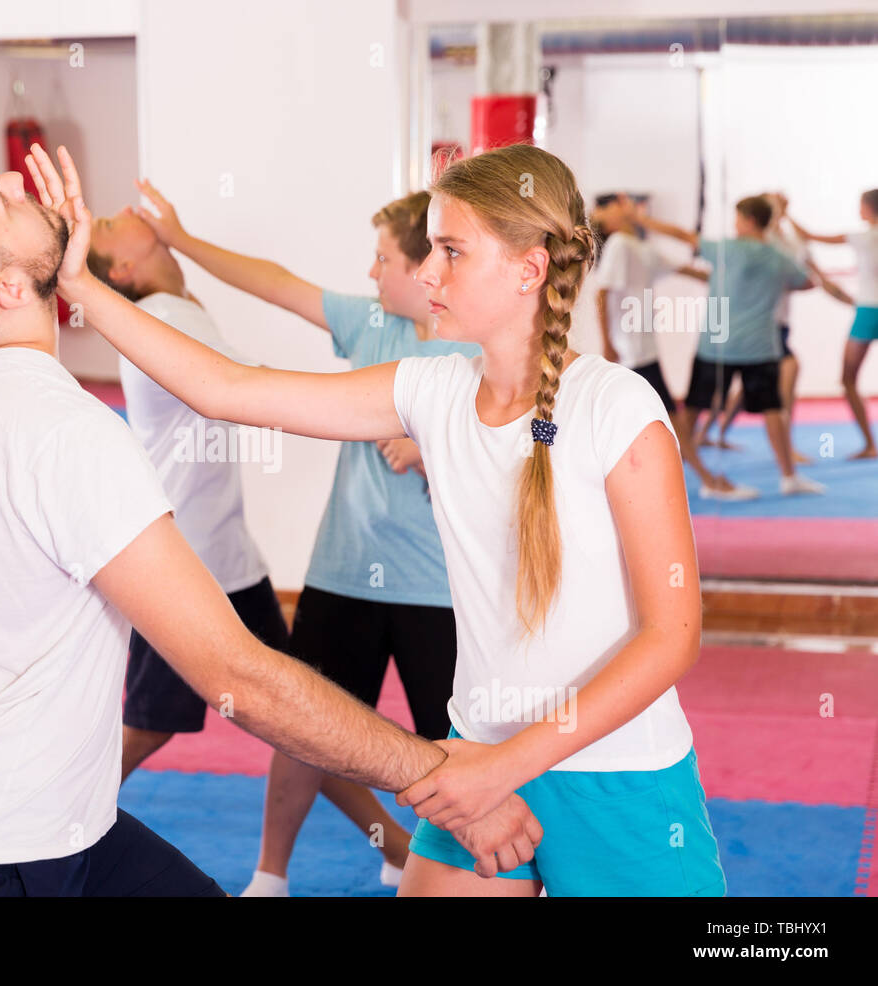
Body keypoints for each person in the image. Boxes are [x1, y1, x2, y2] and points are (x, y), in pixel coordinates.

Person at [35, 140, 726, 896]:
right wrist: (82, 288)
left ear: (530, 269)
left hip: (616, 777)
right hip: (481, 756)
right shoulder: (430, 391)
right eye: (430, 248)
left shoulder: (616, 408)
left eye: (451, 251)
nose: (426, 273)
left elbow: (673, 636)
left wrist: (507, 764)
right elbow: (229, 388)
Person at [0, 158, 542, 897]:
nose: (19, 182)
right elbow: (237, 675)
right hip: (0, 855)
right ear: (9, 289)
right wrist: (440, 778)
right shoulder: (64, 431)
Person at [129, 181, 478, 896]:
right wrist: (184, 238)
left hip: (436, 590)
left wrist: (437, 444)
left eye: (383, 258)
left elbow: (532, 444)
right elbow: (278, 286)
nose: (372, 273)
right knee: (307, 729)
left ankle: (445, 869)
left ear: (423, 270)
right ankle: (270, 876)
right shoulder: (369, 323)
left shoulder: (475, 353)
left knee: (448, 749)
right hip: (341, 575)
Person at [85, 206, 290, 783]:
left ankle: (395, 844)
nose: (119, 211)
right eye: (106, 224)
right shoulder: (161, 313)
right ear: (124, 267)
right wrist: (379, 410)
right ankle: (44, 833)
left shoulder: (174, 307)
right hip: (184, 564)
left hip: (221, 554)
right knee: (151, 725)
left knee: (302, 715)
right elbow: (252, 386)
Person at [640, 196, 846, 497]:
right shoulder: (779, 257)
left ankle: (665, 475)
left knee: (693, 410)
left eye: (738, 219)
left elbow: (682, 235)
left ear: (749, 221)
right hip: (759, 346)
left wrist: (641, 219)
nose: (735, 225)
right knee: (772, 410)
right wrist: (774, 285)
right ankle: (789, 477)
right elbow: (807, 282)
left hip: (717, 345)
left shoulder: (727, 249)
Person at [590, 194, 745, 497]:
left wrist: (738, 277)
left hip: (643, 350)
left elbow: (691, 271)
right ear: (606, 222)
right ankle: (708, 481)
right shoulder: (620, 246)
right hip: (631, 352)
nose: (623, 207)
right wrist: (607, 343)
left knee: (660, 419)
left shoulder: (641, 248)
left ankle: (697, 480)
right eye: (613, 207)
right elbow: (602, 295)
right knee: (668, 419)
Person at [784, 188, 878, 459]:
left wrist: (785, 211)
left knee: (848, 379)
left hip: (869, 311)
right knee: (848, 378)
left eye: (860, 206)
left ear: (869, 208)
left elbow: (809, 235)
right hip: (865, 308)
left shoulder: (862, 237)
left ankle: (871, 444)